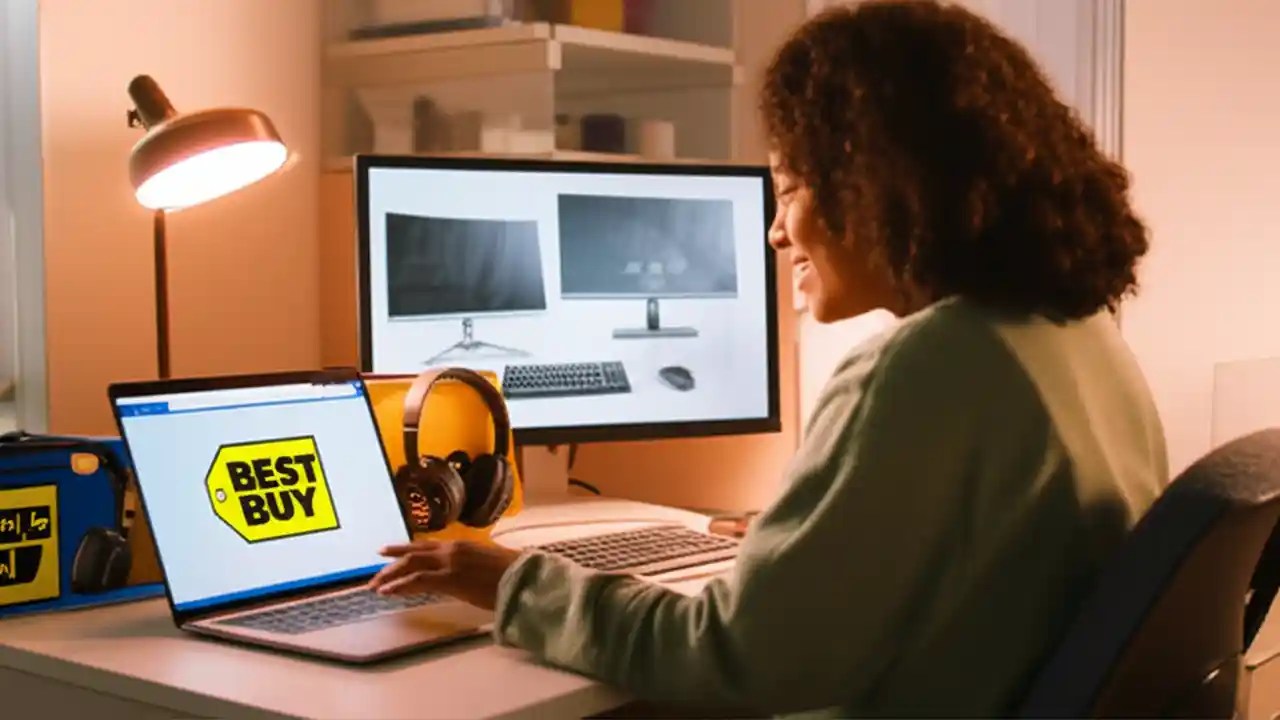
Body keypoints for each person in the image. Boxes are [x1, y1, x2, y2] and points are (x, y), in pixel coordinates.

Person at [367, 1, 1169, 716]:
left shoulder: (926, 366)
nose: (776, 231)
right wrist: (815, 537)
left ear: (871, 185)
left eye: (787, 190)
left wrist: (513, 583)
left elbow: (735, 659)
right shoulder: (1079, 336)